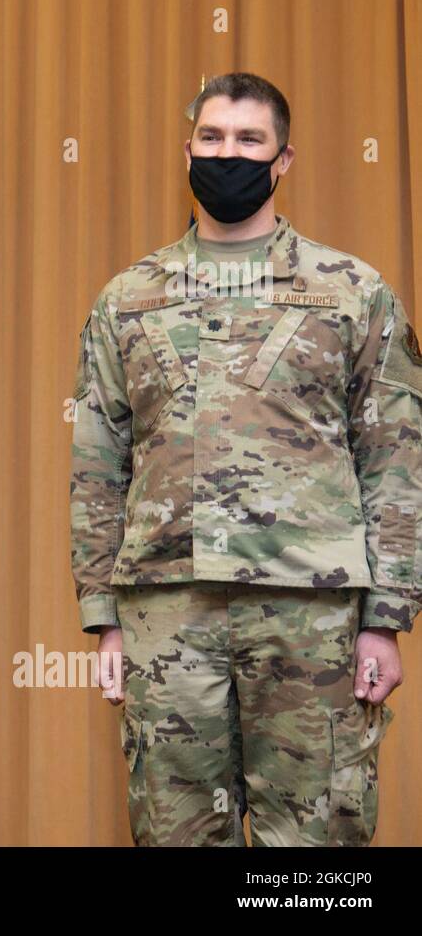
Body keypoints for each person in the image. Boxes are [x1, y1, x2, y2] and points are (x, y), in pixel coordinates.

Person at [71, 72, 412, 846]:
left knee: (316, 850)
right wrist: (104, 620)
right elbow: (98, 463)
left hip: (313, 614)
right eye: (213, 138)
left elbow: (394, 459)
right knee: (176, 836)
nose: (229, 154)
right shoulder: (128, 297)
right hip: (167, 610)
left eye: (249, 140)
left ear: (283, 159)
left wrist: (385, 620)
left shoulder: (352, 291)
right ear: (187, 149)